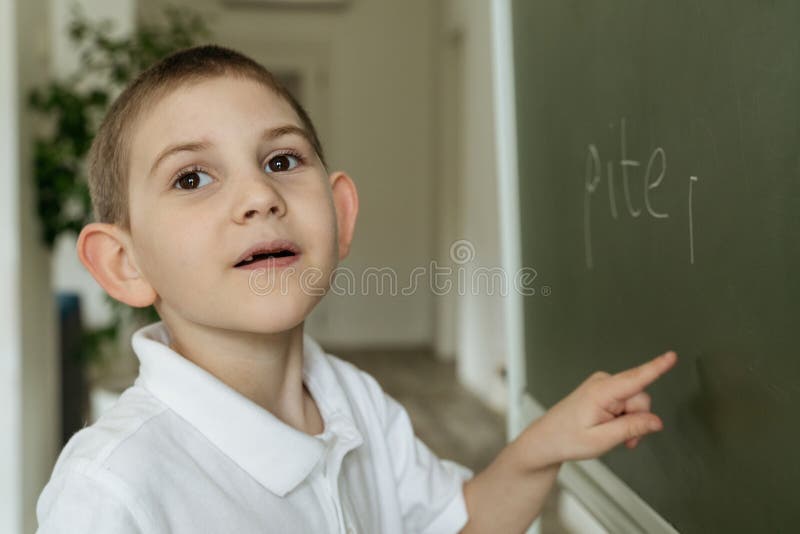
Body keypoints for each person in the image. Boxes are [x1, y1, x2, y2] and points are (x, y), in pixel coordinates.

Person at [36, 44, 677, 533]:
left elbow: (454, 523)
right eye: (192, 178)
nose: (259, 196)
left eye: (282, 161)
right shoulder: (110, 489)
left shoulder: (355, 401)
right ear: (123, 264)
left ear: (339, 215)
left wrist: (542, 447)